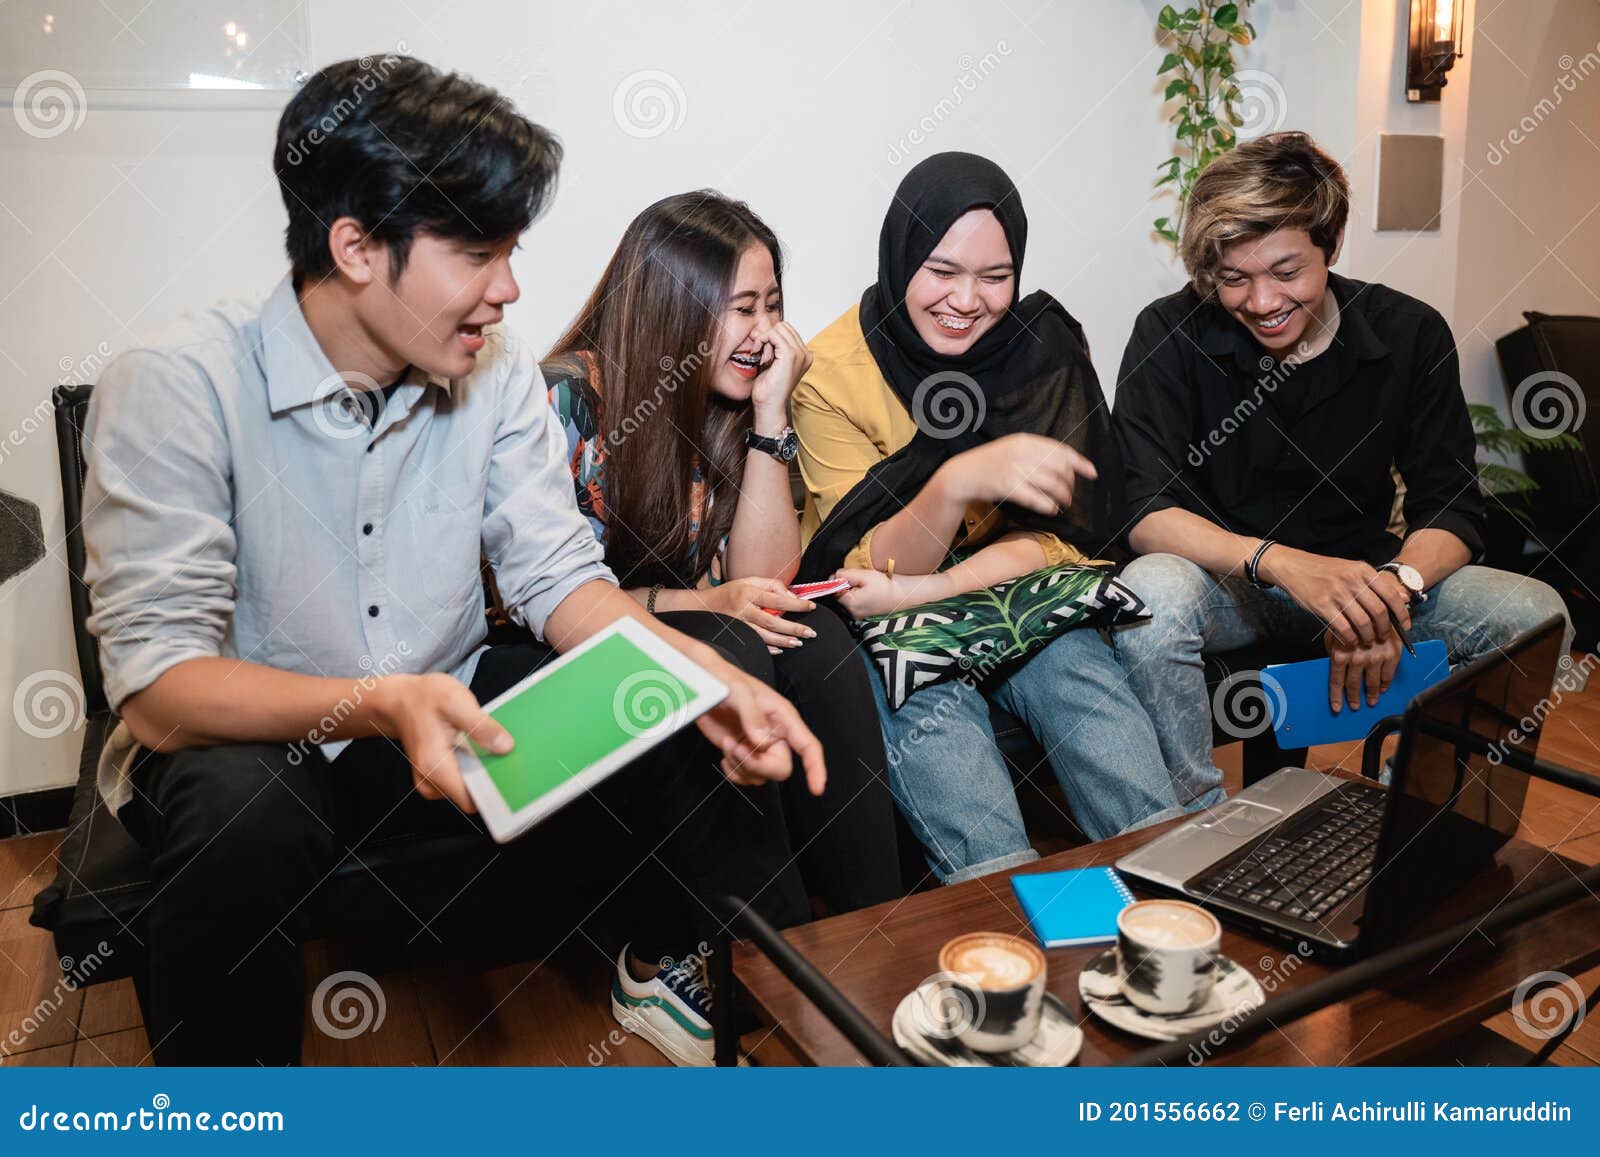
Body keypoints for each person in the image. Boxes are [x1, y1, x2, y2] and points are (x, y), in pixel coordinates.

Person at [80, 56, 829, 1066]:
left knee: (683, 676)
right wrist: (382, 703)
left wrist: (706, 676)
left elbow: (561, 582)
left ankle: (771, 1025)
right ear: (355, 246)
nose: (507, 290)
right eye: (477, 253)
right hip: (269, 734)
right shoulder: (180, 384)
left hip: (457, 706)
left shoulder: (497, 376)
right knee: (236, 809)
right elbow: (158, 690)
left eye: (510, 253)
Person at [1112, 131, 1577, 806]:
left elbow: (1452, 503)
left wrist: (1392, 593)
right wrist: (1283, 564)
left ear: (1330, 246)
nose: (1262, 301)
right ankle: (1195, 827)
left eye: (1287, 272)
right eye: (1234, 279)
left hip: (1366, 574)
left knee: (1536, 615)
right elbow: (1144, 510)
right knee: (1151, 598)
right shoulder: (1169, 332)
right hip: (1226, 581)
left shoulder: (1408, 332)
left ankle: (1408, 819)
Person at [542, 190, 902, 1063]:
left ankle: (875, 947)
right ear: (673, 307)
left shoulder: (729, 403)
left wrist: (771, 420)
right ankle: (760, 1000)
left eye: (773, 304)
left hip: (691, 639)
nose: (767, 331)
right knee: (731, 640)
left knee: (810, 634)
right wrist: (704, 606)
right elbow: (546, 598)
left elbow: (762, 582)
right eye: (743, 307)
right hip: (558, 669)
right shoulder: (568, 399)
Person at [792, 151, 1195, 886]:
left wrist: (936, 587)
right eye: (941, 270)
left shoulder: (1036, 349)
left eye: (995, 275)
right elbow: (869, 576)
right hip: (889, 619)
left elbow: (1067, 542)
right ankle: (1003, 929)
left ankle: (1171, 900)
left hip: (1001, 591)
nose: (967, 300)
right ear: (901, 256)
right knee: (929, 702)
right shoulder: (832, 376)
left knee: (1080, 677)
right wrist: (956, 482)